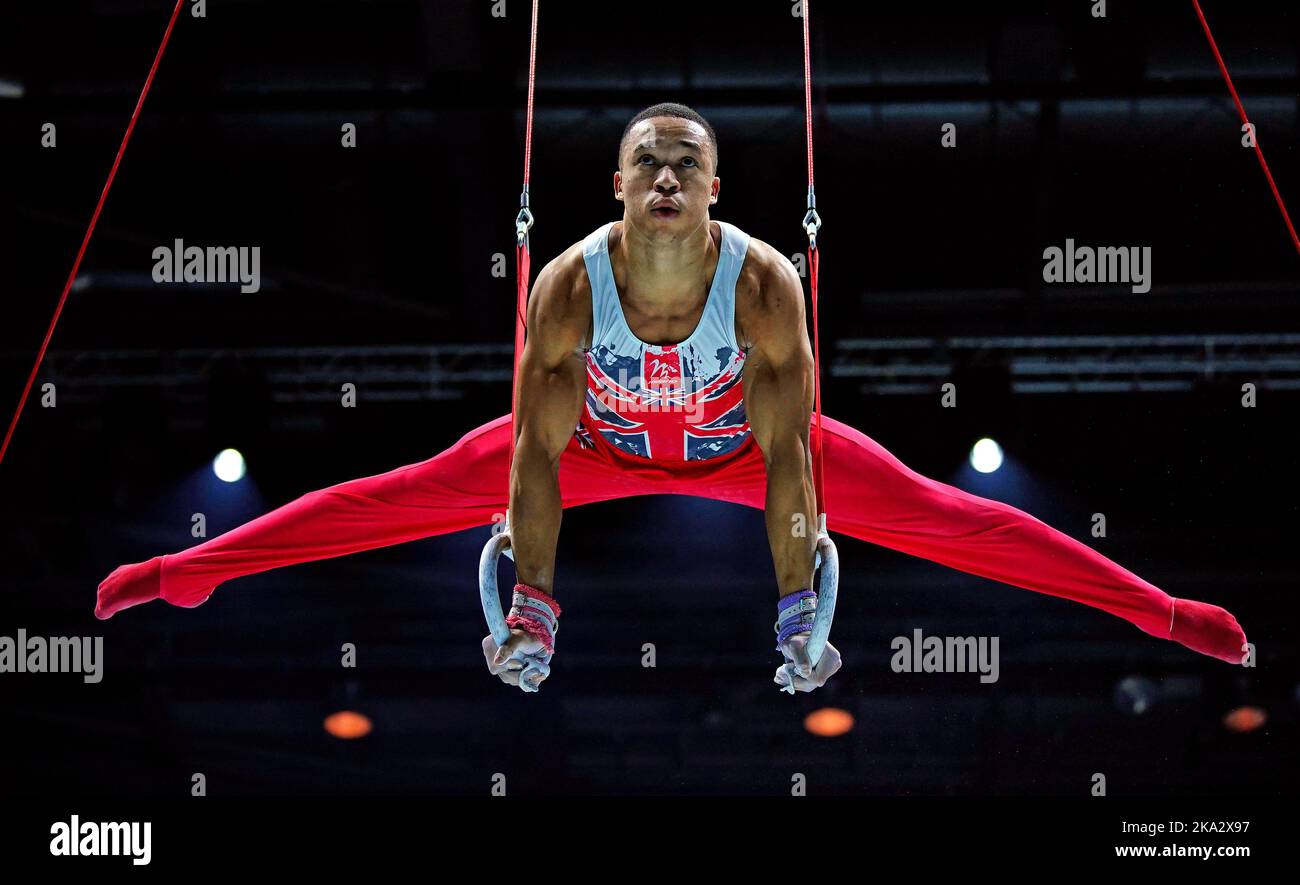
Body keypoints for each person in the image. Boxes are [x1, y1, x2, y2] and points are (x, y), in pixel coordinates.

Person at [96, 102, 1248, 692]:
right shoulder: (563, 286)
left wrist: (801, 606)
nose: (662, 175)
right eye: (645, 159)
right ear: (614, 185)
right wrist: (532, 605)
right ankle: (184, 573)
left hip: (745, 451)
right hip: (590, 443)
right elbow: (532, 469)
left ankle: (1161, 613)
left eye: (684, 162)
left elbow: (794, 461)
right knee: (393, 496)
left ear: (710, 186)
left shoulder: (761, 282)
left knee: (952, 522)